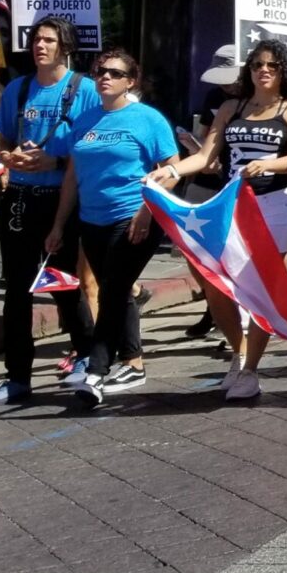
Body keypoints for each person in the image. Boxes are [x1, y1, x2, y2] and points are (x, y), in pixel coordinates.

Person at [150, 40, 287, 400]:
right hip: (231, 205)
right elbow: (207, 155)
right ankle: (238, 354)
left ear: (283, 70)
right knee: (216, 284)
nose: (264, 70)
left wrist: (267, 164)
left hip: (273, 204)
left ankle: (251, 370)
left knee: (257, 287)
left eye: (271, 64)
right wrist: (172, 171)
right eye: (257, 64)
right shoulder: (230, 106)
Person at [46, 50, 179, 408]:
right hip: (92, 219)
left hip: (133, 216)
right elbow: (72, 176)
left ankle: (95, 371)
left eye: (115, 73)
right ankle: (133, 362)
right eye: (100, 71)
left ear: (130, 82)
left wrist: (147, 210)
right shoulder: (84, 120)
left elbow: (172, 168)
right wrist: (59, 224)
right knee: (116, 288)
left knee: (113, 289)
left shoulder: (147, 119)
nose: (105, 77)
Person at [0, 15, 102, 406]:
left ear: (65, 46)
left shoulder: (84, 90)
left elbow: (96, 149)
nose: (40, 46)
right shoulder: (18, 89)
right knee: (16, 291)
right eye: (36, 40)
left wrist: (54, 163)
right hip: (20, 198)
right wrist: (9, 156)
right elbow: (2, 141)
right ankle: (17, 377)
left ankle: (85, 355)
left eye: (49, 40)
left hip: (63, 202)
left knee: (65, 283)